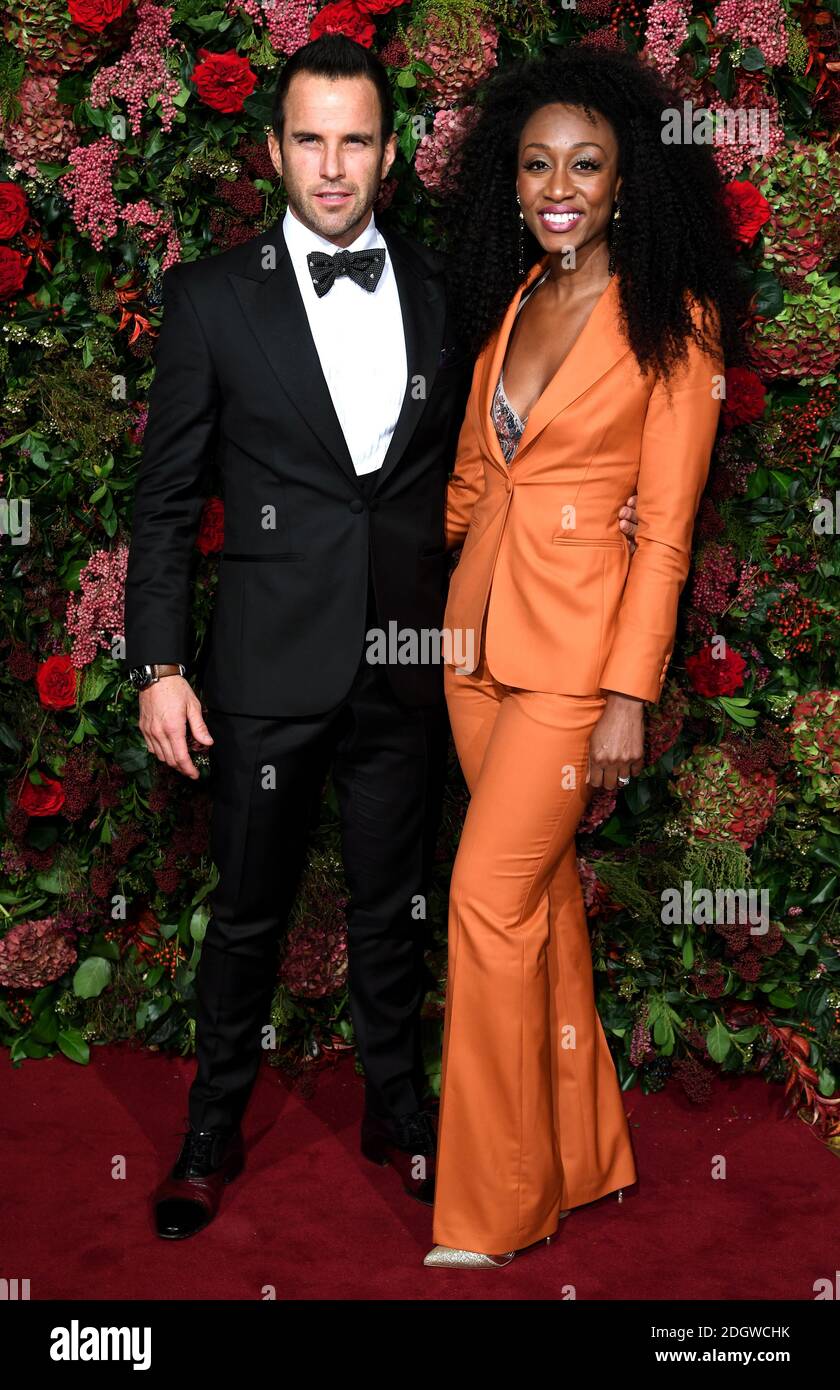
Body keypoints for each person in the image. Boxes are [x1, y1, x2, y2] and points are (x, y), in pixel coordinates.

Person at [123, 35, 640, 1241]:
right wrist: (159, 665)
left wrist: (606, 510)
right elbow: (164, 501)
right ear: (273, 152)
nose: (332, 164)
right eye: (310, 139)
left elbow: (499, 461)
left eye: (354, 140)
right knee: (246, 912)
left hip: (415, 663)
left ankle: (400, 1111)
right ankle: (210, 1128)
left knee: (395, 906)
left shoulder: (448, 291)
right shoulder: (210, 297)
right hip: (264, 665)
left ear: (390, 154)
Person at [424, 44, 747, 1268]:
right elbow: (474, 481)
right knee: (543, 903)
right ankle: (582, 1155)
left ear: (626, 182)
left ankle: (494, 1208)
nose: (559, 187)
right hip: (471, 643)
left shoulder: (674, 323)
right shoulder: (516, 298)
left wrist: (627, 694)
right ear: (509, 183)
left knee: (484, 901)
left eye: (586, 165)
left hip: (573, 664)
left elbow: (664, 533)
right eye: (537, 165)